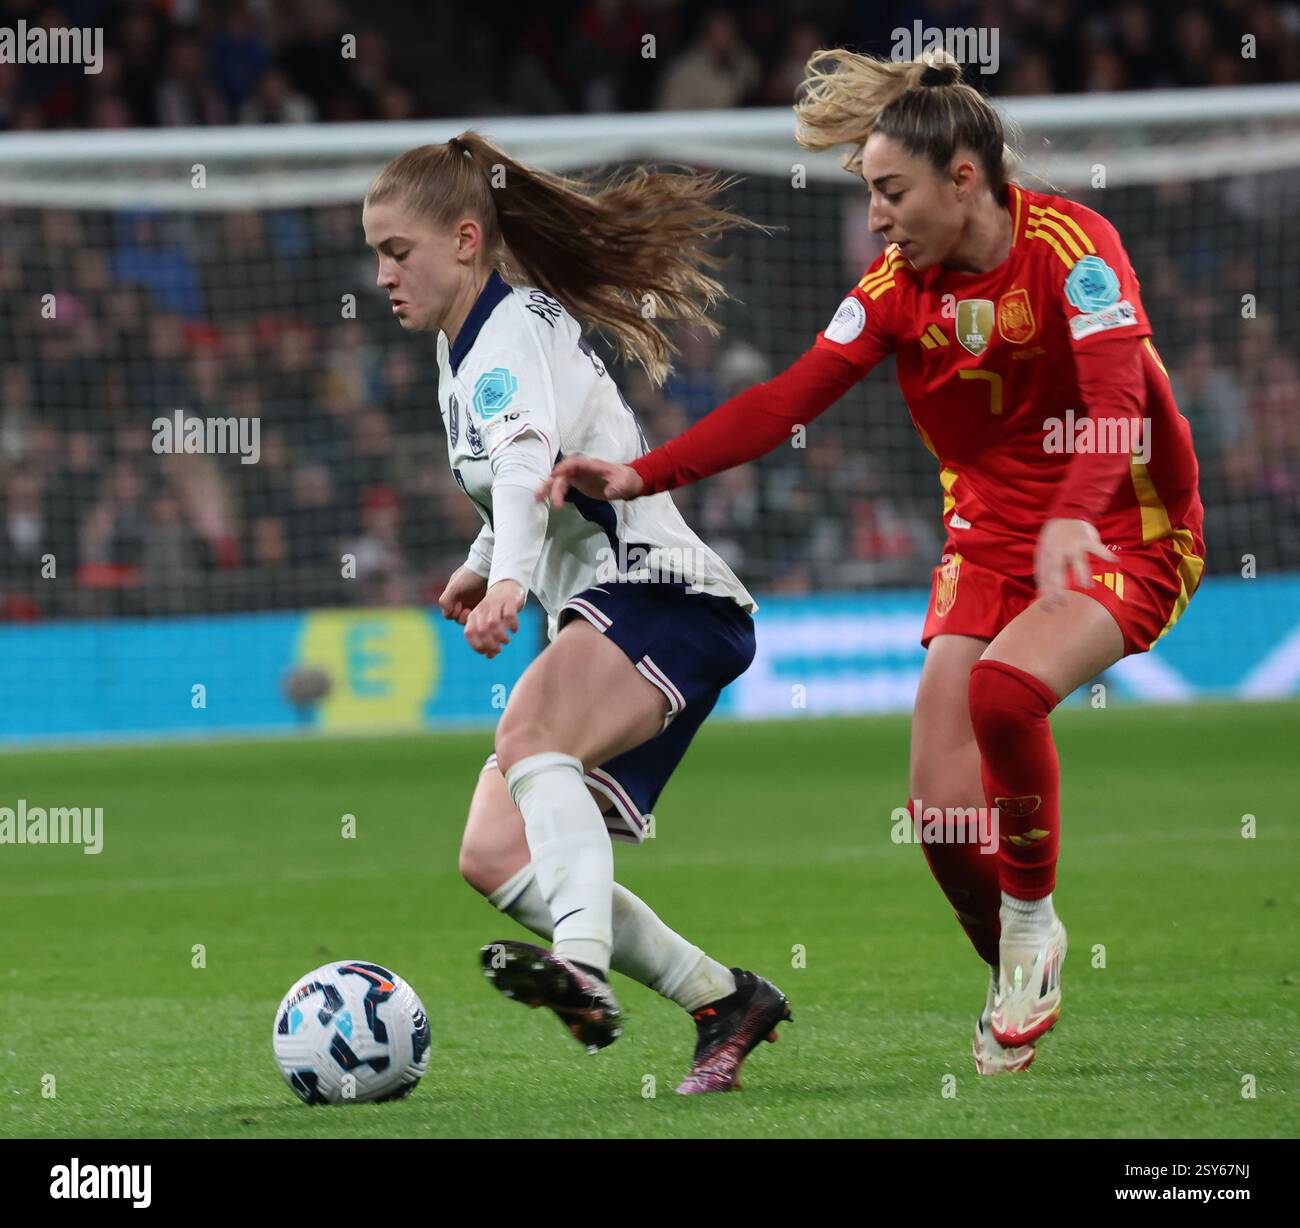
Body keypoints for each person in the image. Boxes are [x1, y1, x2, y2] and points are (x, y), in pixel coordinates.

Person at [542, 50, 1205, 1074]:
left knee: (1003, 694)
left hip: (1123, 525)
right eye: (868, 195)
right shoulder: (896, 289)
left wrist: (1075, 513)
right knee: (939, 818)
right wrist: (640, 474)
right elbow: (786, 399)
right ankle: (1012, 969)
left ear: (964, 181)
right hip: (990, 539)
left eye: (890, 192)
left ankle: (1033, 924)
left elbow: (1117, 403)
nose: (877, 218)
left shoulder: (1075, 248)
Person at [362, 132, 791, 1094]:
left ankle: (582, 968)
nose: (382, 273)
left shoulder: (503, 337)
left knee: (530, 735)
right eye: (377, 253)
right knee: (494, 852)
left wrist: (509, 578)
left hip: (662, 591)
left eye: (398, 250)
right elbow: (528, 473)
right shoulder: (461, 345)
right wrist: (485, 560)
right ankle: (727, 1000)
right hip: (608, 606)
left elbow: (523, 467)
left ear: (466, 239)